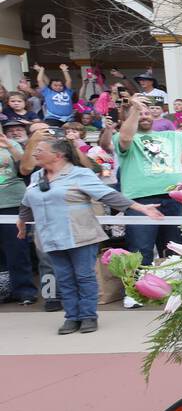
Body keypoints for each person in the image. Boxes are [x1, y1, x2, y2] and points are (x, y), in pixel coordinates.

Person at [17, 137, 163, 333]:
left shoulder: (80, 174)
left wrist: (141, 208)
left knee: (84, 276)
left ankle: (88, 316)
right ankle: (71, 317)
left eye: (40, 150)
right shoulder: (37, 177)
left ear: (57, 155)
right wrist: (21, 222)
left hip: (80, 234)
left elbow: (108, 195)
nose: (34, 153)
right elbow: (27, 202)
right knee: (64, 278)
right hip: (50, 236)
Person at [114, 93, 182, 303]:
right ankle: (134, 292)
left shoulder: (172, 136)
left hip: (174, 198)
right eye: (139, 113)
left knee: (175, 247)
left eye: (147, 112)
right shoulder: (124, 137)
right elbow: (126, 138)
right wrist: (134, 109)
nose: (144, 116)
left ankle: (176, 290)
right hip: (141, 200)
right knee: (140, 248)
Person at [0, 119, 37, 304]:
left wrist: (9, 146)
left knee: (16, 249)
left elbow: (25, 169)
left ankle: (25, 291)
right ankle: (4, 290)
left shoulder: (12, 143)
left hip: (11, 202)